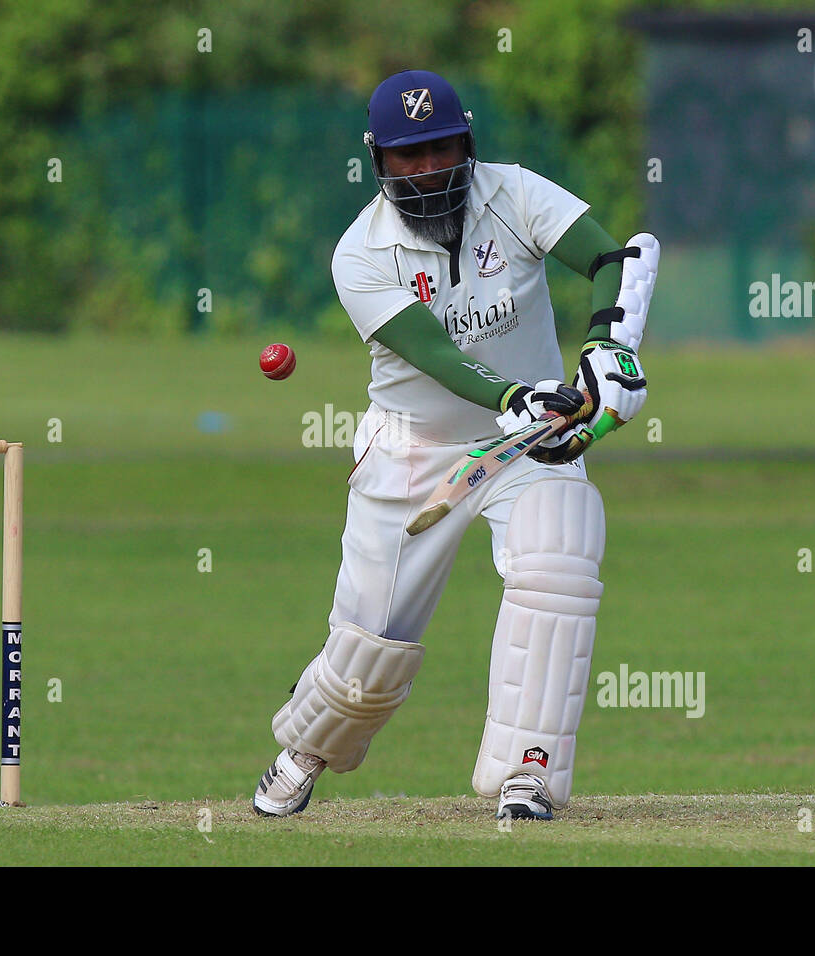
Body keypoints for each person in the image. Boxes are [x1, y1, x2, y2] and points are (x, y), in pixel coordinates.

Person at [253, 69, 658, 820]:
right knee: (369, 655)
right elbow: (434, 353)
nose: (427, 169)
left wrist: (610, 347)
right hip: (414, 450)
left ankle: (527, 774)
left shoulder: (516, 195)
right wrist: (512, 393)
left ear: (466, 143)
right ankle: (307, 747)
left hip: (531, 441)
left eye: (440, 149)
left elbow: (615, 259)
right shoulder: (361, 253)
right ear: (379, 161)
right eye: (408, 156)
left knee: (559, 566)